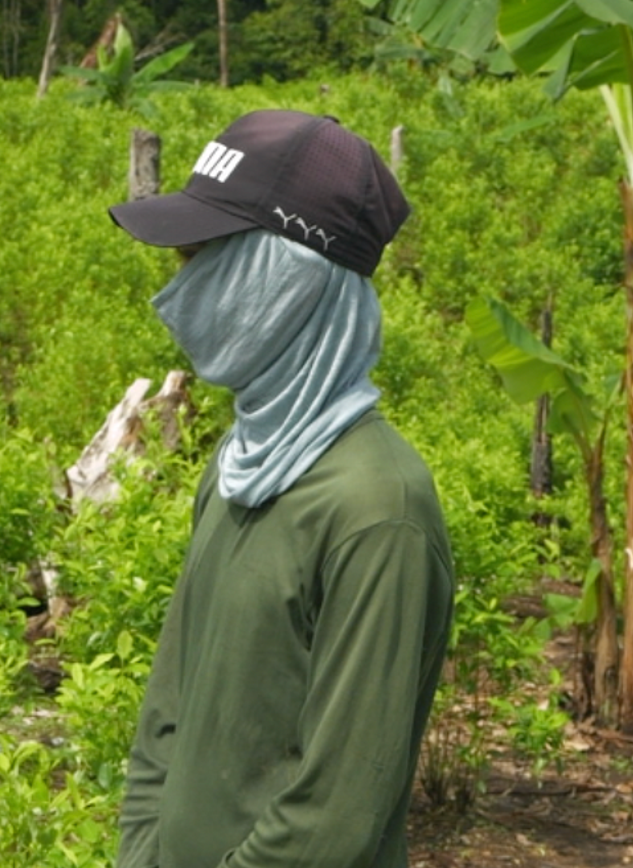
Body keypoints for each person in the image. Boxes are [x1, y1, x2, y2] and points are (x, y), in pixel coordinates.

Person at [106, 110, 454, 867]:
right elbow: (169, 709)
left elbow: (336, 814)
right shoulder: (237, 461)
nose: (179, 288)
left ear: (283, 276)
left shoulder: (377, 510)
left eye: (203, 255)